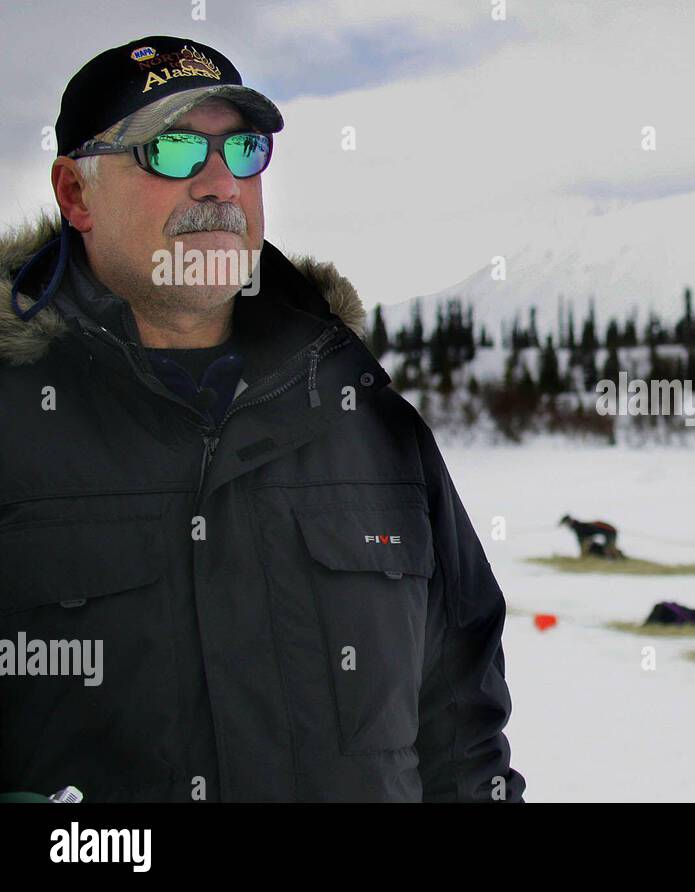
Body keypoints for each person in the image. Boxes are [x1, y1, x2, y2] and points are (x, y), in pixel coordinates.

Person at [0, 37, 523, 802]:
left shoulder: (367, 421)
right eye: (172, 150)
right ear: (75, 193)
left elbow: (463, 727)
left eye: (244, 151)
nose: (220, 183)